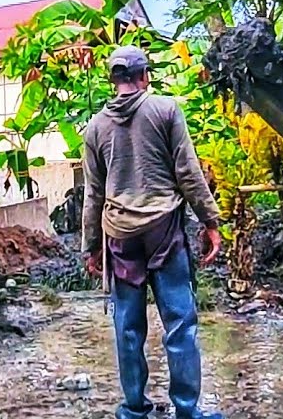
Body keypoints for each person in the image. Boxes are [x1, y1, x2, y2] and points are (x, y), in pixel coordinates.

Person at [82, 45, 224, 419]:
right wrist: (210, 221)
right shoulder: (166, 111)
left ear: (113, 80)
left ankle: (134, 409)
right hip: (164, 231)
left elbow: (93, 193)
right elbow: (188, 172)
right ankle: (187, 411)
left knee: (128, 328)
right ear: (145, 76)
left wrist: (91, 246)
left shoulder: (96, 127)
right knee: (180, 323)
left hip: (120, 236)